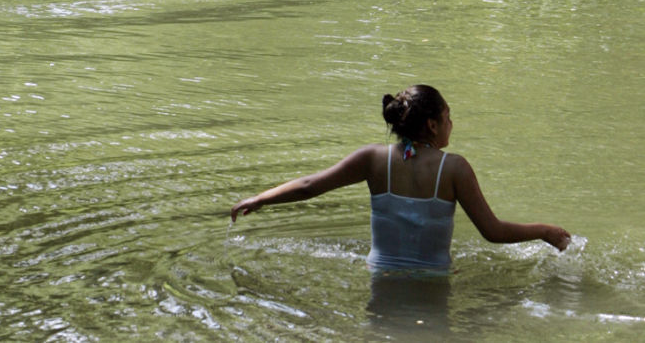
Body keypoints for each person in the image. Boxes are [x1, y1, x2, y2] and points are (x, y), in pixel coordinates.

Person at [230, 84, 570, 275]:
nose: (453, 124)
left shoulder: (373, 160)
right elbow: (492, 232)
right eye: (449, 117)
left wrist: (260, 198)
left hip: (381, 278)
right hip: (434, 285)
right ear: (433, 125)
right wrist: (544, 231)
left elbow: (309, 186)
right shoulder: (454, 168)